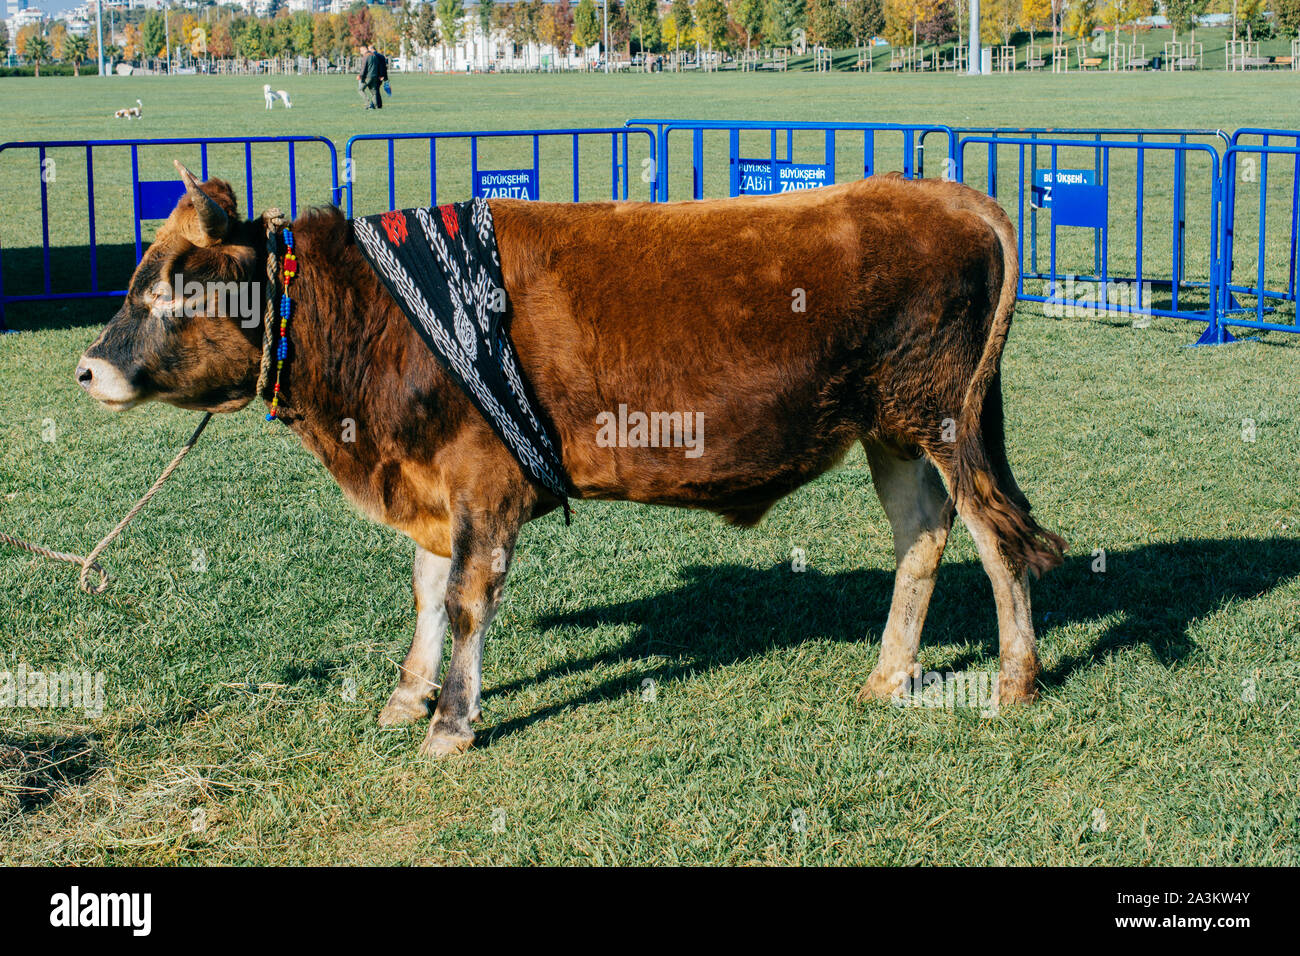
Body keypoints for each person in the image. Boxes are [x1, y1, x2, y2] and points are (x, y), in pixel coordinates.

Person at [359, 44, 389, 110]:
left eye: (361, 51)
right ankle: (377, 106)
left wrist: (361, 76)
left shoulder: (366, 56)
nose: (361, 52)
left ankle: (368, 104)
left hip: (368, 77)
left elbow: (364, 67)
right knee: (374, 92)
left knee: (361, 89)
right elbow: (382, 67)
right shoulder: (376, 56)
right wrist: (383, 76)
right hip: (376, 76)